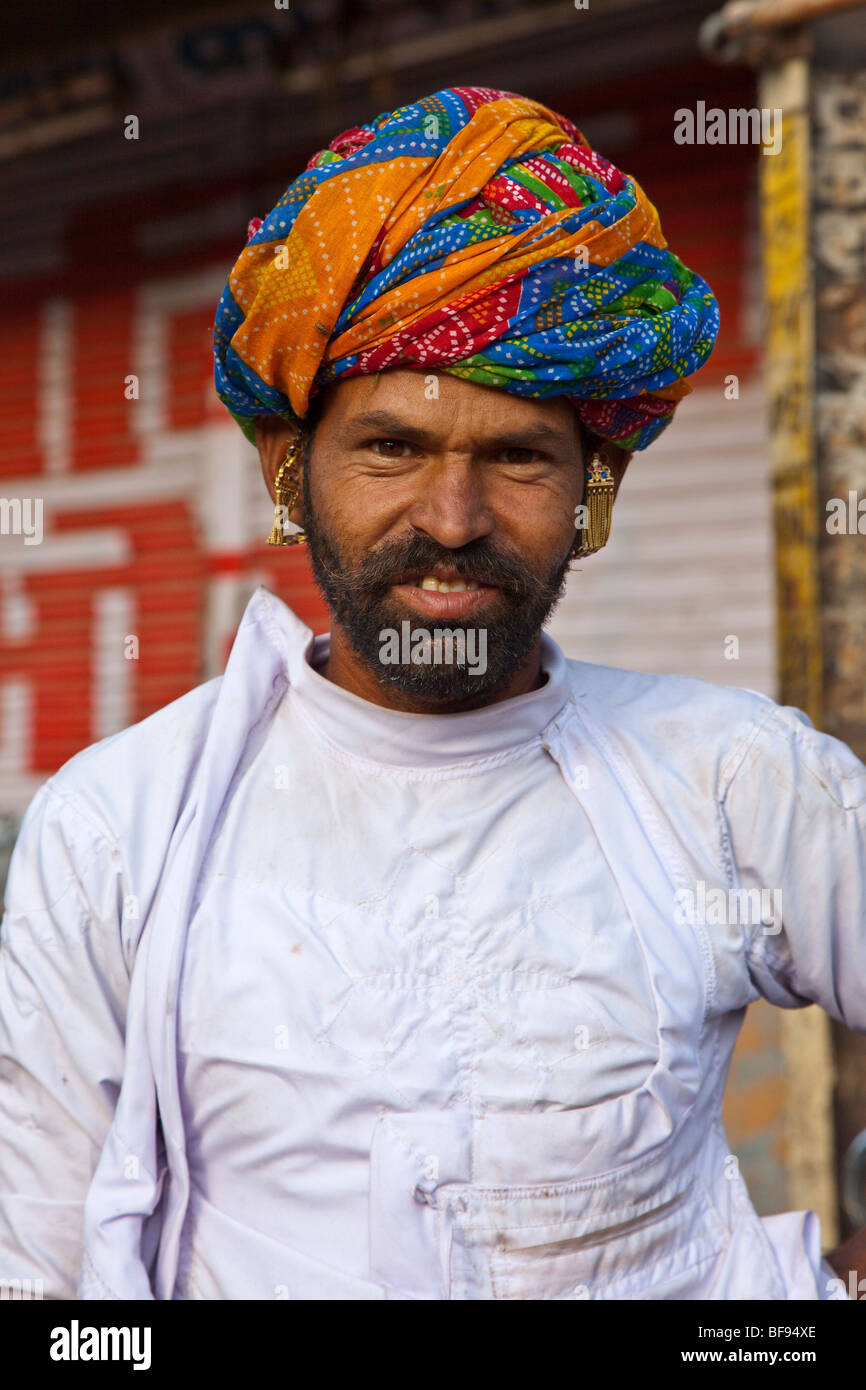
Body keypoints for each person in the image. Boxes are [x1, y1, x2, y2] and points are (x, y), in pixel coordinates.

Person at [1, 85, 864, 1301]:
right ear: (291, 470)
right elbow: (41, 1274)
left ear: (591, 488)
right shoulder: (117, 831)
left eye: (516, 456)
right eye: (391, 449)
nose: (450, 523)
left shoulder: (728, 783)